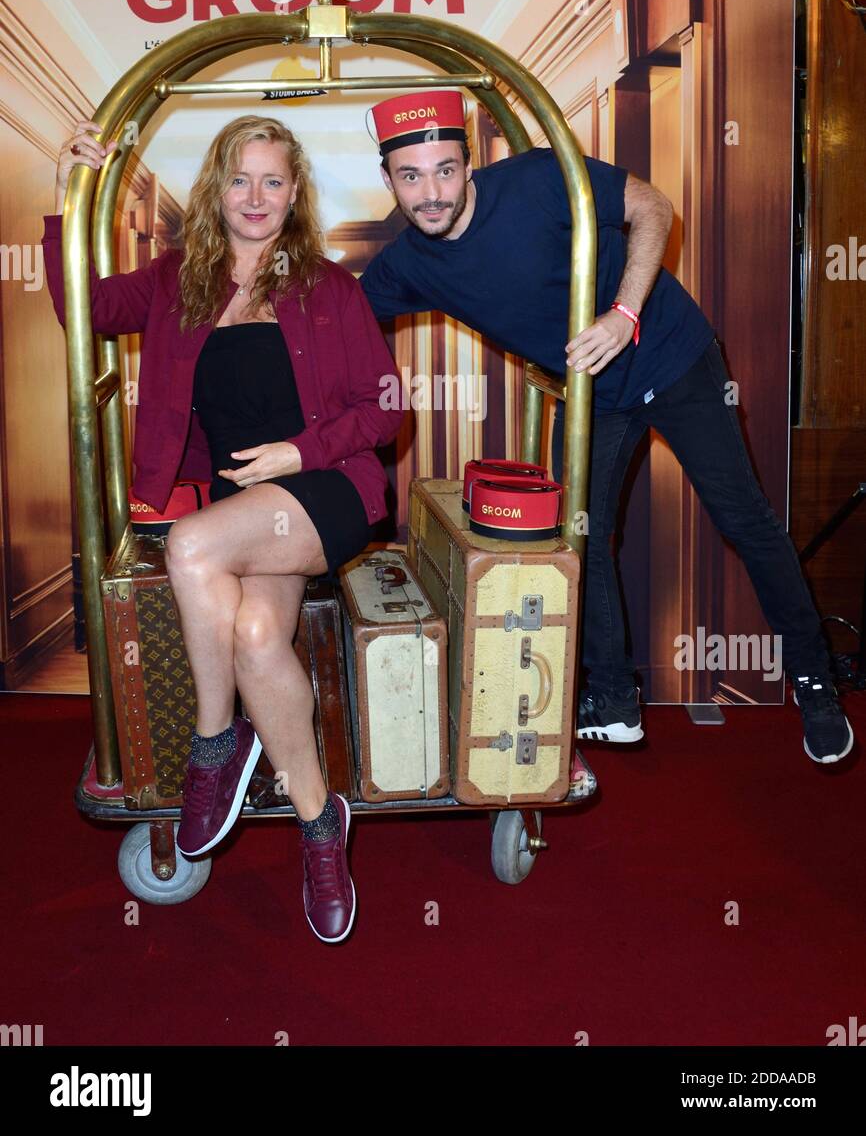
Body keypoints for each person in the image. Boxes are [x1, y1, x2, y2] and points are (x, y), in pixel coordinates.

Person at [358, 90, 854, 767]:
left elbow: (653, 207)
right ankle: (616, 700)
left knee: (745, 521)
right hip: (593, 394)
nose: (432, 192)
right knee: (579, 537)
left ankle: (815, 683)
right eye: (411, 177)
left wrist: (624, 314)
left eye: (445, 169)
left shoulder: (537, 178)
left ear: (468, 165)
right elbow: (331, 313)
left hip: (671, 357)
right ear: (388, 181)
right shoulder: (407, 263)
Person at [44, 114, 408, 944]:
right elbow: (85, 306)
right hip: (241, 511)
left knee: (190, 543)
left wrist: (298, 449)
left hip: (325, 493)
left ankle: (215, 744)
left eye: (273, 181)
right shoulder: (179, 279)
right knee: (250, 633)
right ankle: (323, 828)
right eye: (239, 179)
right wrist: (67, 193)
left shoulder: (329, 287)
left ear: (294, 194)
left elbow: (388, 411)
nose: (255, 196)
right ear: (216, 189)